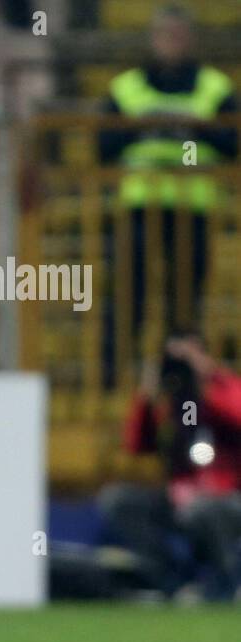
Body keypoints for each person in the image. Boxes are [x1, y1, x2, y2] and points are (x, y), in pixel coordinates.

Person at [99, 5, 238, 381]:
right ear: (153, 39)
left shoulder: (216, 87)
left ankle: (181, 378)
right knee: (129, 294)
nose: (171, 43)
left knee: (185, 302)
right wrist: (148, 128)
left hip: (193, 208)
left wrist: (193, 127)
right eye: (165, 35)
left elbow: (232, 141)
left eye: (178, 35)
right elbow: (103, 144)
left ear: (191, 39)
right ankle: (116, 378)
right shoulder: (126, 87)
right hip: (139, 207)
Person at [104, 333, 241, 600]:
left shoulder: (223, 387)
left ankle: (226, 584)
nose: (182, 368)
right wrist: (146, 396)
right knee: (117, 500)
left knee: (202, 509)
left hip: (226, 500)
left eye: (187, 359)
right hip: (178, 500)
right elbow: (135, 445)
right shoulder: (168, 403)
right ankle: (169, 582)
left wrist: (208, 381)